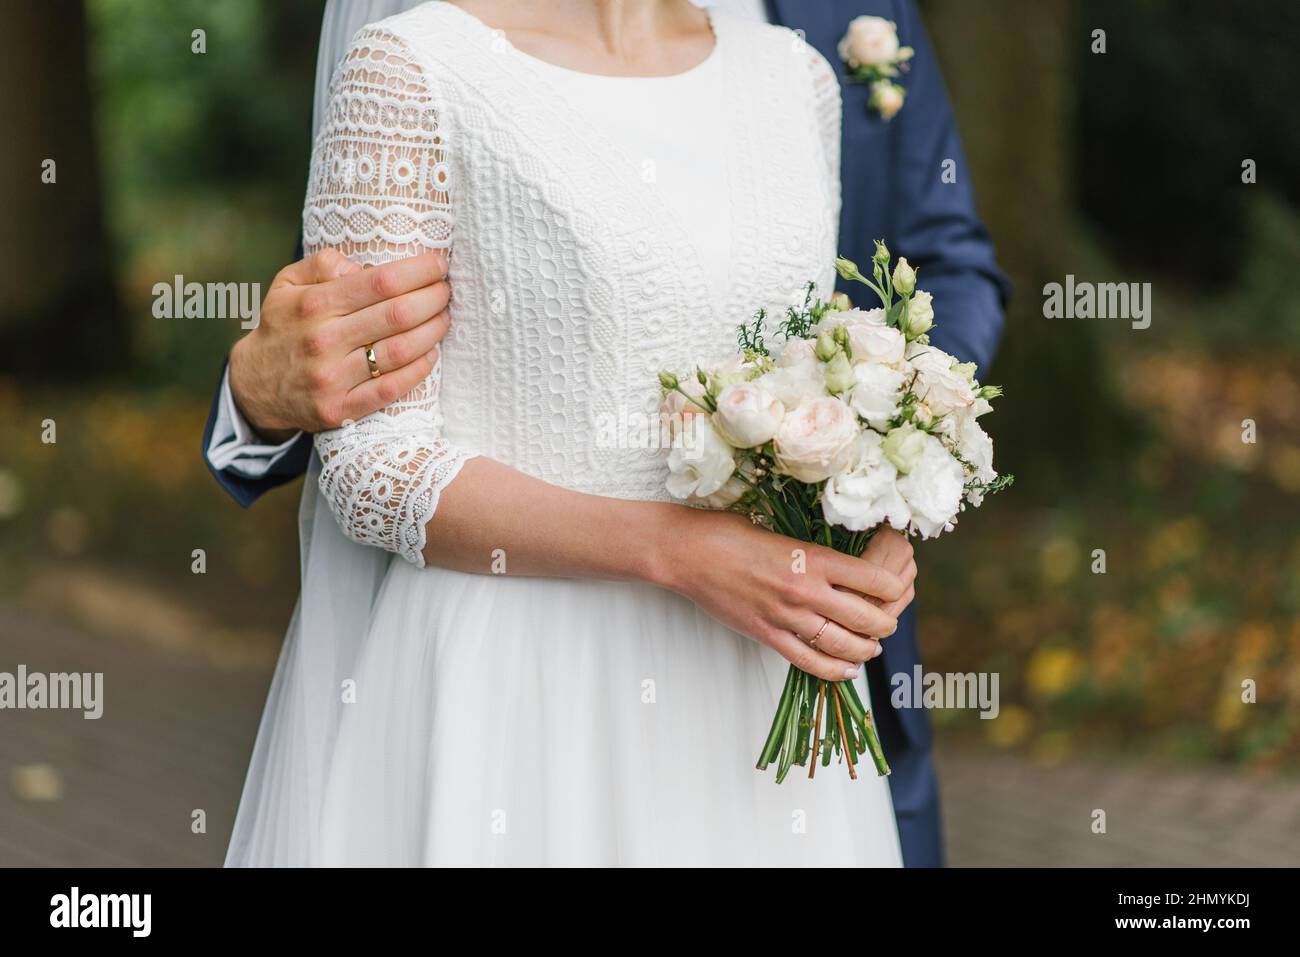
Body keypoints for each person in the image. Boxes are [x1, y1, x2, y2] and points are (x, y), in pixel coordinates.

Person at [214, 0, 1006, 867]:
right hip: (526, 691)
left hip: (770, 681)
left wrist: (878, 504)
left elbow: (828, 358)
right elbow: (369, 467)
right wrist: (679, 552)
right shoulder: (412, 67)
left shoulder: (797, 73)